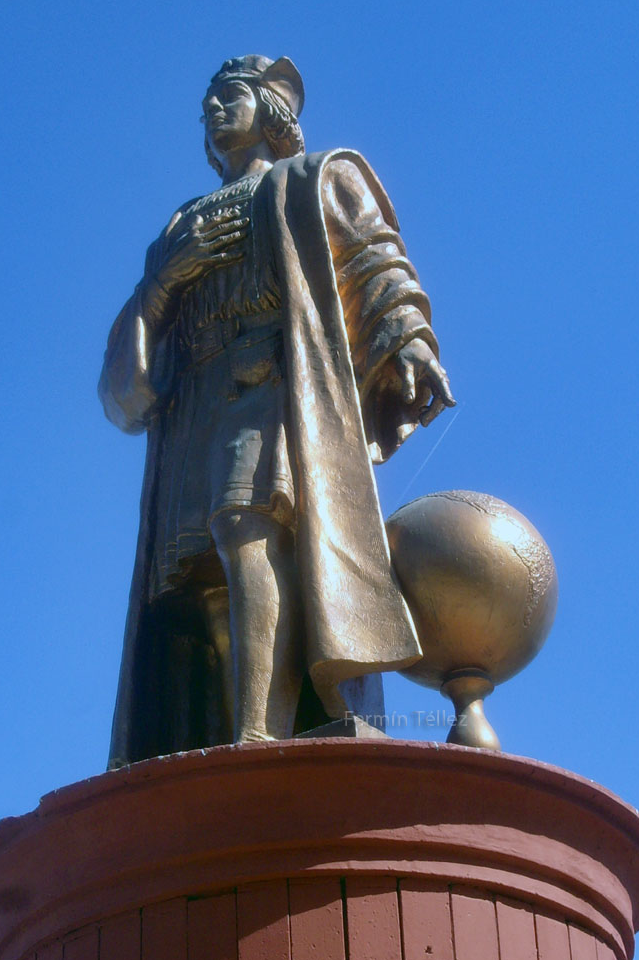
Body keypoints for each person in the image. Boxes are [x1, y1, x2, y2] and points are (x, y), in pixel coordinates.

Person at [99, 55, 454, 766]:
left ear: (269, 106)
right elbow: (141, 340)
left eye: (227, 96)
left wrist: (409, 338)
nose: (212, 111)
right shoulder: (180, 221)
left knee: (246, 528)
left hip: (269, 382)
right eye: (205, 105)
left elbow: (375, 260)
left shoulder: (314, 178)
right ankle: (221, 724)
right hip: (192, 402)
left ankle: (259, 732)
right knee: (198, 575)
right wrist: (167, 279)